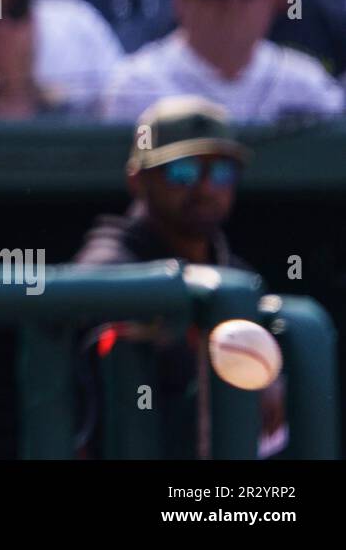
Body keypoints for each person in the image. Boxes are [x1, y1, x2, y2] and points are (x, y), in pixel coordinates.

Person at [73, 96, 284, 458]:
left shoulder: (238, 276)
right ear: (138, 180)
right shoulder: (105, 270)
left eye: (220, 172)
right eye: (182, 171)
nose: (205, 188)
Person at [101, 0, 343, 121]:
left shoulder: (306, 84)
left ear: (269, 1)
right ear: (181, 1)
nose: (232, 2)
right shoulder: (138, 84)